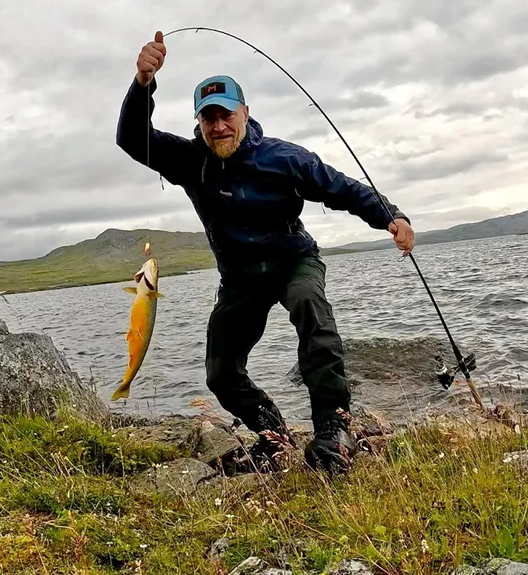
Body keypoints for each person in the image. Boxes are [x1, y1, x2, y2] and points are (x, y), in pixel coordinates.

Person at [115, 31, 416, 475]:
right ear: (199, 123)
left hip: (294, 261)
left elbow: (341, 189)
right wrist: (143, 83)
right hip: (240, 279)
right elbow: (130, 137)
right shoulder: (189, 161)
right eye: (208, 118)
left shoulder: (285, 158)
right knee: (221, 374)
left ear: (245, 112)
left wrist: (391, 216)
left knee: (311, 309)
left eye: (226, 115)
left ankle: (334, 428)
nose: (218, 126)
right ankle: (273, 435)